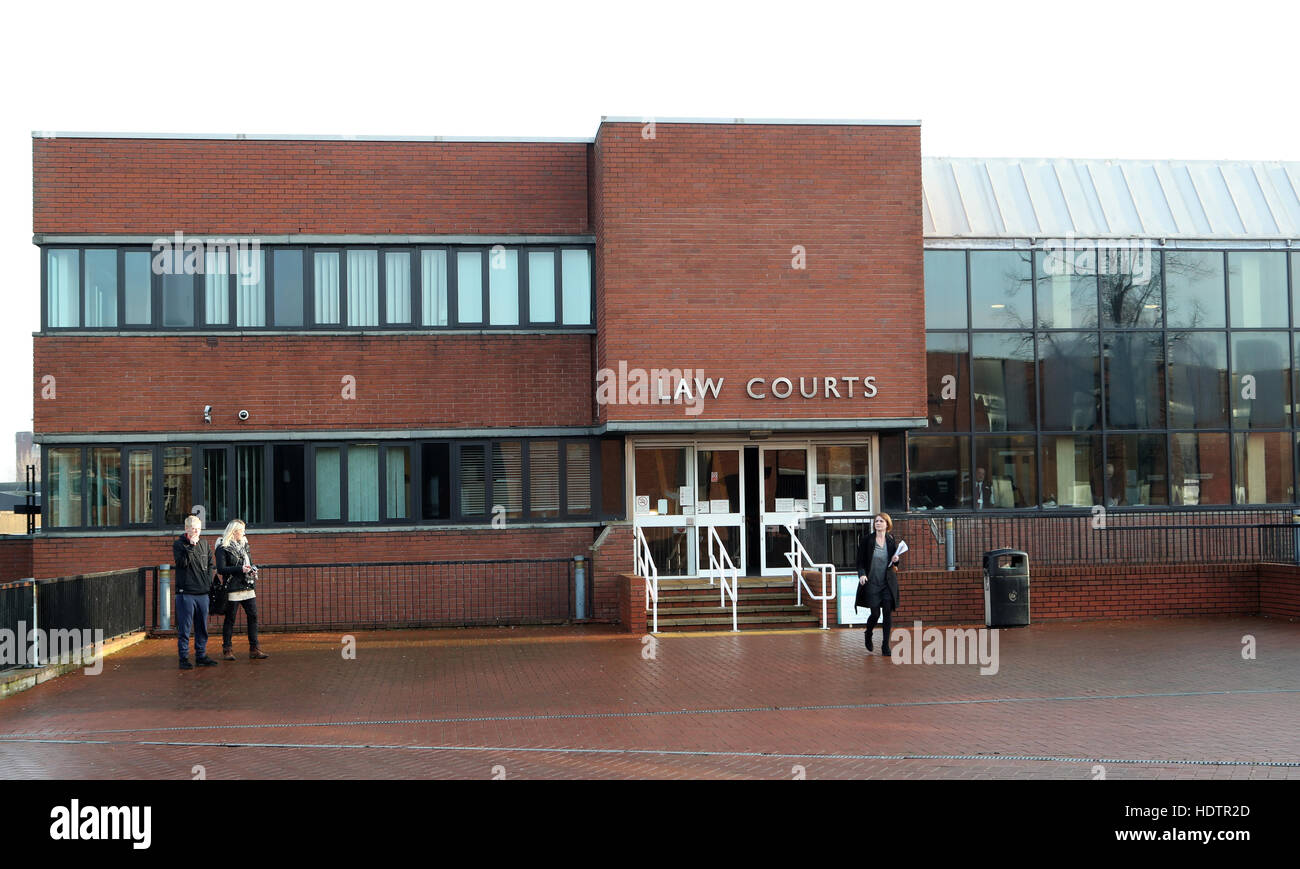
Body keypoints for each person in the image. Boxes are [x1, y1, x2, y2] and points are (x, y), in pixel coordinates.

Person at [215, 519, 269, 661]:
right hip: (233, 587)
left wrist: (252, 568)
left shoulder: (244, 545)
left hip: (247, 585)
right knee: (230, 618)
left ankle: (254, 648)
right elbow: (221, 569)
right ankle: (227, 649)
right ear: (234, 531)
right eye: (241, 530)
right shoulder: (222, 547)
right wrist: (240, 568)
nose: (244, 533)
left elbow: (249, 562)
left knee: (253, 616)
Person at [174, 514, 219, 669]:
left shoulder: (205, 544)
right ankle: (184, 658)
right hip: (186, 593)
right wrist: (191, 547)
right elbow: (182, 563)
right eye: (193, 529)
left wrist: (207, 584)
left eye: (199, 529)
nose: (196, 532)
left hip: (202, 594)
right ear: (187, 529)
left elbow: (210, 565)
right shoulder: (179, 545)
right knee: (185, 628)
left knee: (202, 628)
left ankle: (201, 655)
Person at [855, 513, 903, 657]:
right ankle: (868, 633)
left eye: (881, 521)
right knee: (875, 614)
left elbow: (894, 561)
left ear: (887, 524)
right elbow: (860, 561)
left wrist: (896, 559)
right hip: (872, 583)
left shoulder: (890, 539)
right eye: (876, 521)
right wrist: (862, 574)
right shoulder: (867, 540)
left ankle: (885, 645)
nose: (878, 523)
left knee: (887, 613)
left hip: (887, 582)